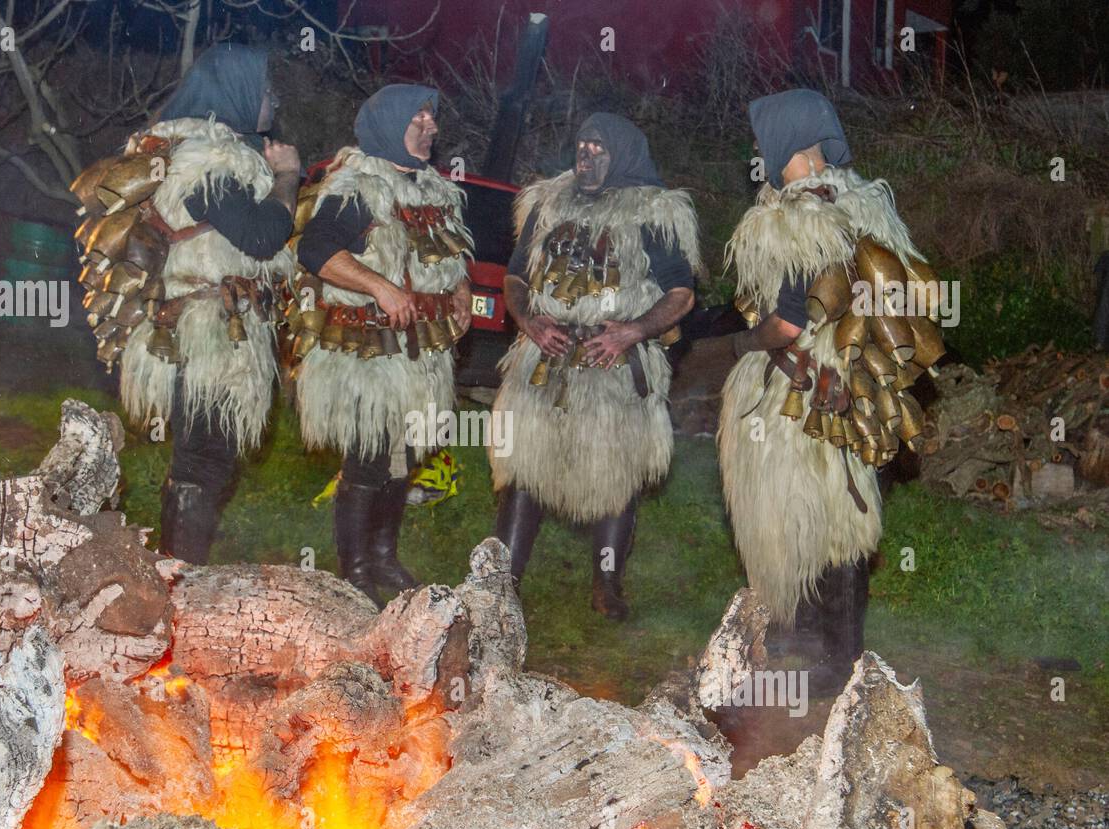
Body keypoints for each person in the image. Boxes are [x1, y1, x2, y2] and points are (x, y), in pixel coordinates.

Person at [718, 89, 945, 690]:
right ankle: (820, 637)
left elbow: (788, 323)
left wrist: (744, 343)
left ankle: (836, 655)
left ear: (782, 148)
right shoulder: (861, 206)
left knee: (809, 510)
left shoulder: (792, 221)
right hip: (854, 384)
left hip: (805, 388)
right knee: (836, 510)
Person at [491, 113, 700, 621]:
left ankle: (607, 584)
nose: (587, 157)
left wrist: (631, 331)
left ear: (623, 154)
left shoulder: (654, 212)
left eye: (599, 149)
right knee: (526, 468)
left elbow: (682, 293)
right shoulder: (547, 203)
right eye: (582, 147)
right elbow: (515, 277)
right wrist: (528, 321)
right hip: (544, 358)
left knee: (615, 477)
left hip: (613, 366)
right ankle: (499, 581)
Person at [111, 44, 300, 564]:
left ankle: (173, 571)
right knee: (206, 462)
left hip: (208, 324)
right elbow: (263, 236)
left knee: (203, 458)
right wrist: (288, 176)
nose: (273, 100)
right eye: (264, 90)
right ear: (236, 92)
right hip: (208, 332)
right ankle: (177, 579)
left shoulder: (198, 151)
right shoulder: (208, 161)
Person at [293, 84, 471, 606]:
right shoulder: (357, 187)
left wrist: (459, 292)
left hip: (423, 358)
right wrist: (381, 286)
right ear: (390, 123)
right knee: (369, 461)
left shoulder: (436, 191)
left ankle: (383, 556)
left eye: (432, 118)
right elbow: (317, 249)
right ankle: (353, 570)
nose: (431, 126)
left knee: (408, 457)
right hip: (369, 356)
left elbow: (449, 256)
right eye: (419, 117)